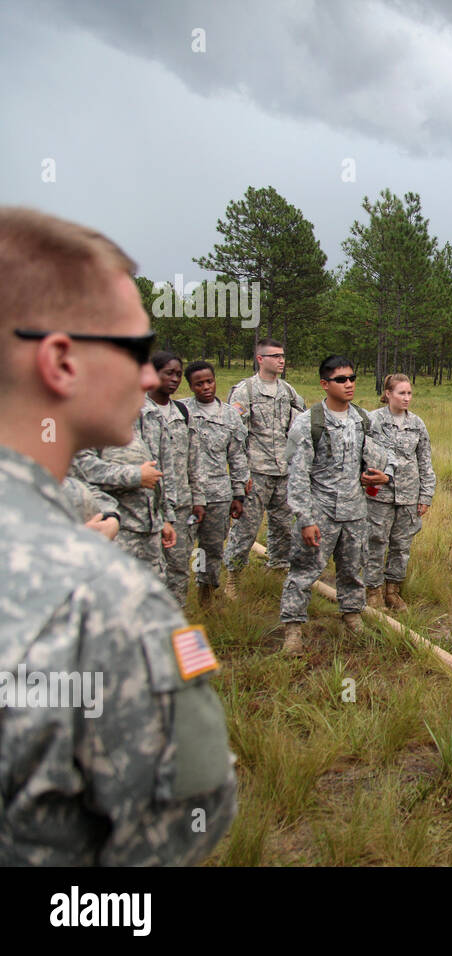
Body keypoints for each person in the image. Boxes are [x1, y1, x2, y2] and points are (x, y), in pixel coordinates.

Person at [0, 206, 236, 864]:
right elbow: (194, 812)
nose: (146, 375)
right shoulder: (104, 603)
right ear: (61, 362)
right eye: (134, 349)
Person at [278, 356, 391, 655]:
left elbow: (381, 457)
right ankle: (293, 629)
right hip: (321, 510)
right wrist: (305, 519)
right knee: (304, 570)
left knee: (353, 569)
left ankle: (351, 616)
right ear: (325, 384)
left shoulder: (363, 420)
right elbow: (298, 475)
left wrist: (384, 475)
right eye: (341, 379)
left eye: (352, 377)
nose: (349, 383)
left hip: (355, 511)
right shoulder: (308, 423)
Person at [71, 371, 176, 577]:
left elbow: (155, 474)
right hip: (118, 529)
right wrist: (135, 475)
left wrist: (162, 518)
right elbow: (81, 468)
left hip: (149, 530)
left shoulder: (130, 425)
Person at [223, 337, 306, 589]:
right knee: (246, 529)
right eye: (275, 356)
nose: (281, 360)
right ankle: (233, 577)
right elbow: (235, 437)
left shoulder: (288, 391)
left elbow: (300, 427)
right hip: (255, 473)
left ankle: (278, 569)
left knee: (283, 527)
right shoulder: (245, 391)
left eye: (283, 356)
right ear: (260, 359)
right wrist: (241, 476)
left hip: (284, 472)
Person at [365, 373, 435, 612]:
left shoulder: (417, 424)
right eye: (401, 393)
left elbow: (425, 462)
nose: (406, 398)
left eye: (409, 393)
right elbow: (361, 455)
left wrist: (425, 496)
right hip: (379, 494)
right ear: (388, 394)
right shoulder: (372, 421)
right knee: (375, 542)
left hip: (408, 495)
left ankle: (392, 591)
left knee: (401, 545)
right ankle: (372, 590)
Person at [183, 361, 249, 606]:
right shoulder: (182, 411)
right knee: (182, 548)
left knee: (212, 549)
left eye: (209, 381)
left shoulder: (230, 415)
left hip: (219, 495)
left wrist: (239, 493)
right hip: (188, 495)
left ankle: (206, 596)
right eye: (199, 384)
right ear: (190, 386)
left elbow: (237, 456)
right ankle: (178, 598)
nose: (206, 387)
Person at [147, 350, 198, 606]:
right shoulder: (138, 412)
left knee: (179, 567)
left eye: (178, 374)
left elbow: (192, 460)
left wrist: (198, 498)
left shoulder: (182, 412)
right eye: (169, 373)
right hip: (148, 509)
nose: (175, 379)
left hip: (180, 505)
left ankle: (175, 620)